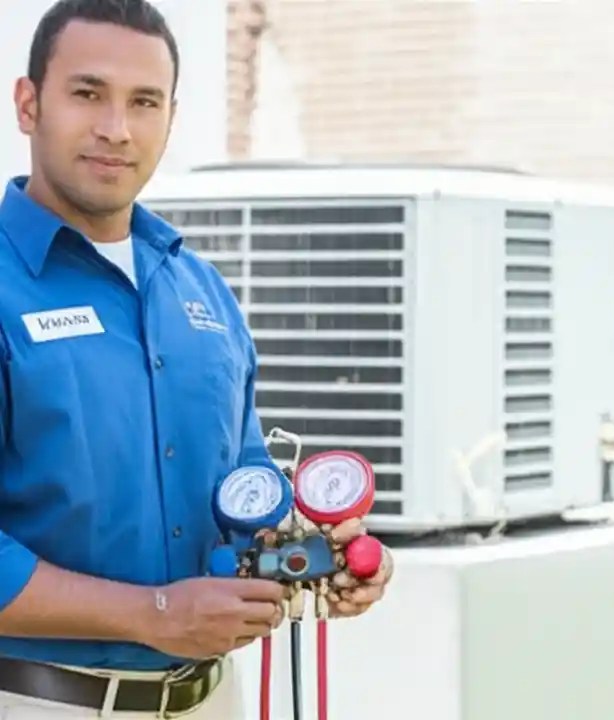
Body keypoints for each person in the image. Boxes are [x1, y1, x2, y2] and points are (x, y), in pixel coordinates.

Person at [0, 1, 393, 716]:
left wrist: (318, 553)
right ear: (29, 104)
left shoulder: (200, 288)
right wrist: (150, 613)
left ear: (170, 120)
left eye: (144, 102)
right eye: (87, 93)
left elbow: (243, 482)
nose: (116, 129)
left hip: (213, 699)